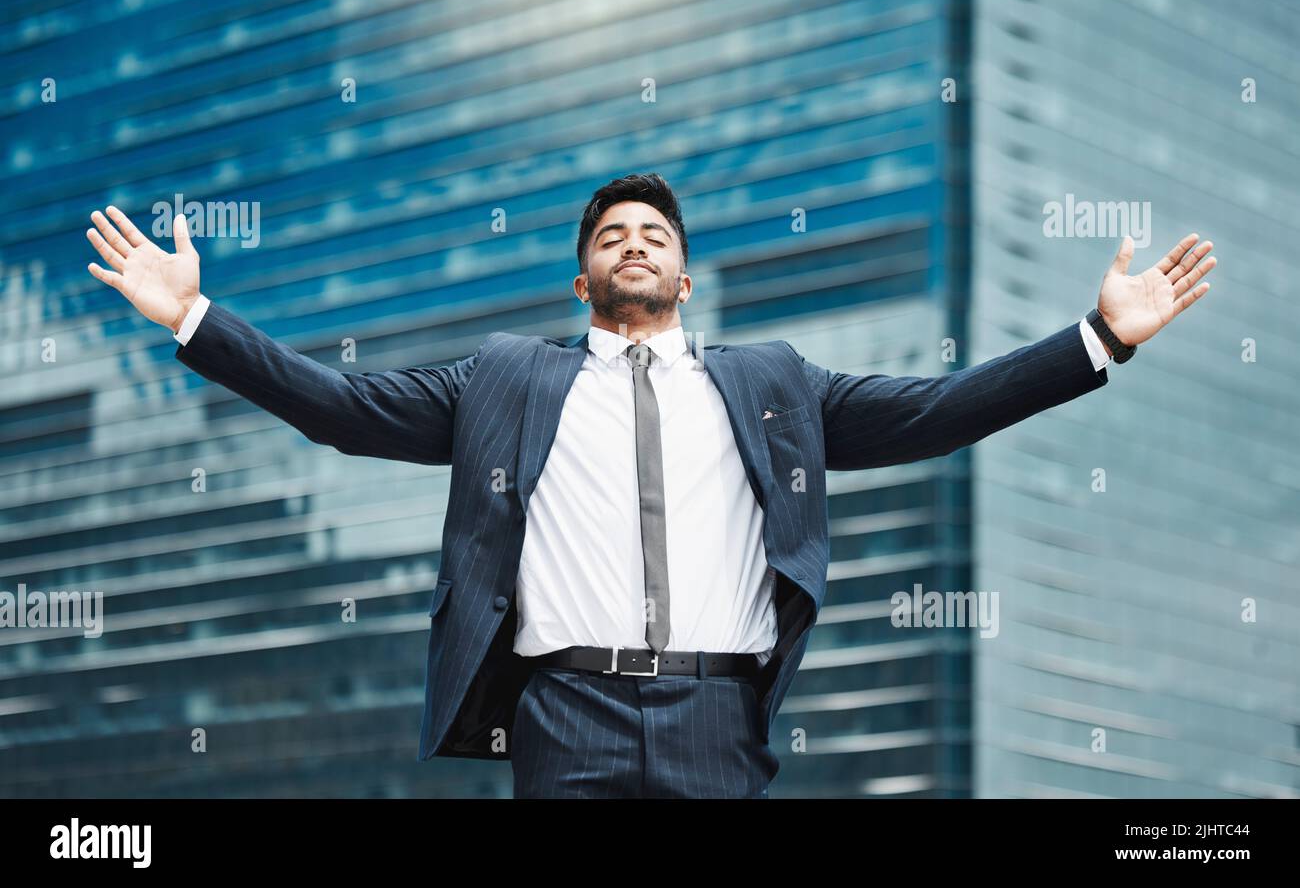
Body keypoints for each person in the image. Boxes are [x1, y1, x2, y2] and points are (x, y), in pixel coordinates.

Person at [84, 173, 1215, 797]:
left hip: (718, 714)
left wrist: (1095, 340)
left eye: (655, 232)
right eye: (613, 234)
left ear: (683, 271)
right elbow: (340, 408)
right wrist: (194, 318)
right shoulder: (504, 376)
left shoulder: (775, 381)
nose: (635, 242)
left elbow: (935, 411)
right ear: (581, 276)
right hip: (559, 713)